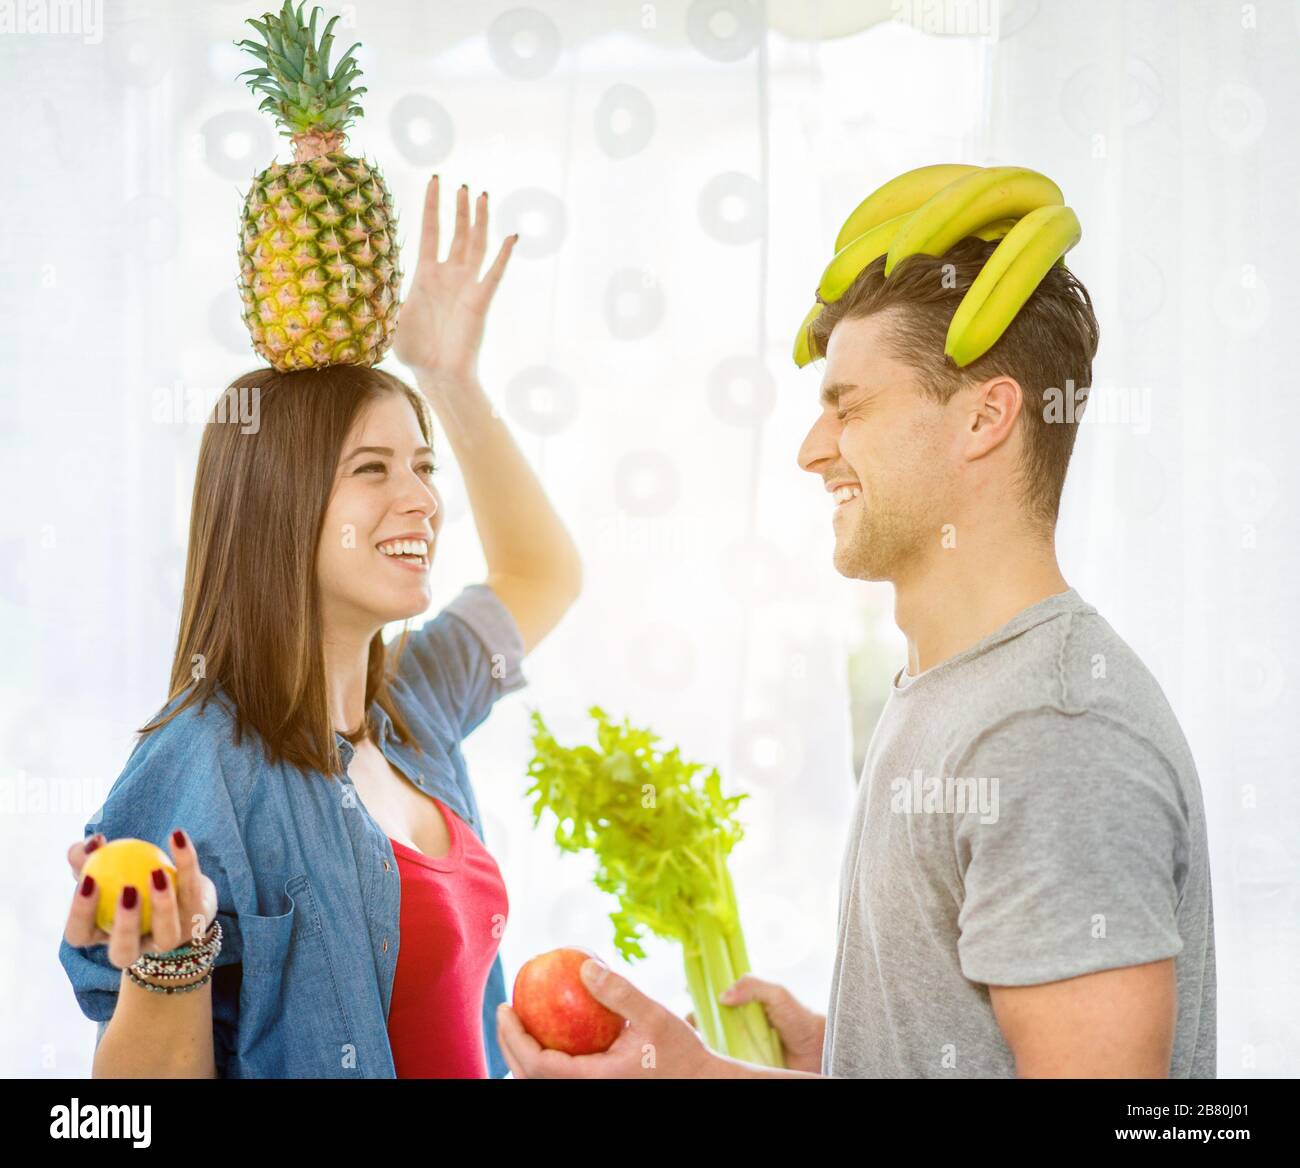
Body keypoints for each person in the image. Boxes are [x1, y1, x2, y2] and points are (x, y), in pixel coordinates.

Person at [496, 231, 1217, 1079]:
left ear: (985, 418)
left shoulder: (1053, 734)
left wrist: (692, 1077)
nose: (812, 448)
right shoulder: (954, 687)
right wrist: (845, 1053)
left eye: (850, 407)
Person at [59, 177, 583, 1078]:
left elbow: (544, 574)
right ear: (279, 508)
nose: (421, 498)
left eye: (423, 465)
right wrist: (166, 968)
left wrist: (448, 380)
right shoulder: (202, 764)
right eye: (373, 469)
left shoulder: (418, 705)